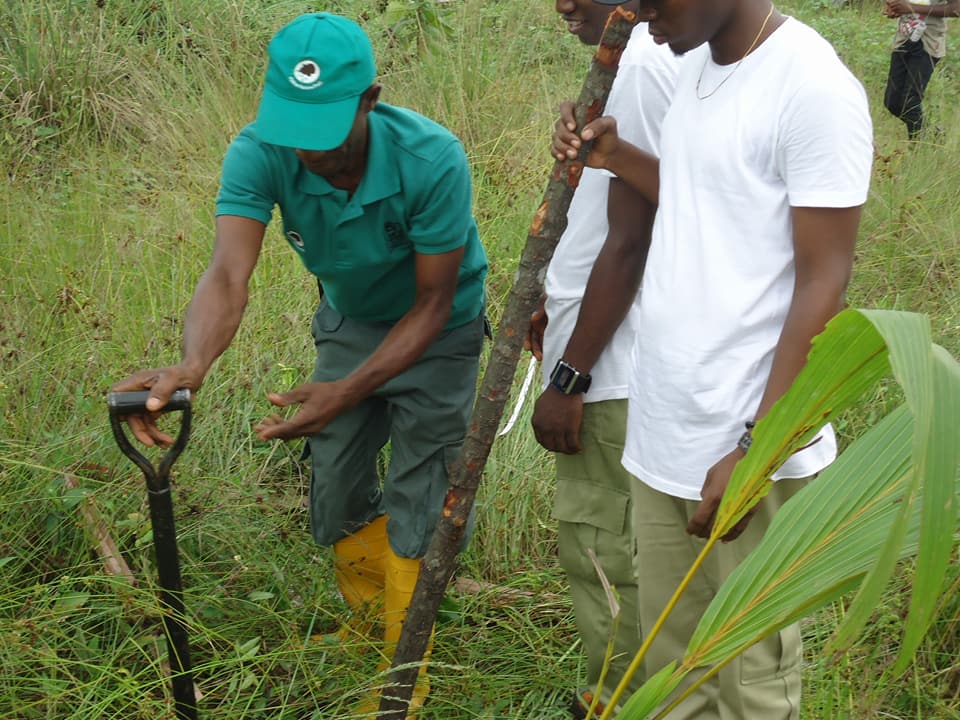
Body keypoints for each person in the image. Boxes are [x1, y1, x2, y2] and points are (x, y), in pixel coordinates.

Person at [112, 12, 488, 716]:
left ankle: (403, 675)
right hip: (352, 319)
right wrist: (191, 365)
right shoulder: (261, 150)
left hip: (439, 330)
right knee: (335, 488)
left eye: (327, 130)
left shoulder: (432, 157)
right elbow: (228, 273)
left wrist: (346, 390)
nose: (310, 150)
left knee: (422, 498)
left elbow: (433, 303)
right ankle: (366, 622)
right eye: (296, 128)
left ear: (370, 99)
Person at [553, 0, 873, 716]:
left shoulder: (812, 88)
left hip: (747, 434)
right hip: (665, 425)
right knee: (673, 665)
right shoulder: (694, 62)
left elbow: (824, 282)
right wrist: (616, 156)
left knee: (749, 674)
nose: (639, 11)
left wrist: (758, 446)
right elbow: (708, 198)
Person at [527, 1, 677, 717]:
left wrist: (571, 373)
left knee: (608, 554)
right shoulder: (645, 60)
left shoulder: (645, 61)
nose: (563, 4)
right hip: (606, 343)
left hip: (611, 368)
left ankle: (621, 703)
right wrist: (556, 309)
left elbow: (631, 239)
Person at [882, 0, 959, 139]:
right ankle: (932, 135)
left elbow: (956, 9)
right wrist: (896, 8)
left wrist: (911, 8)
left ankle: (919, 146)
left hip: (928, 42)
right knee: (892, 102)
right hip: (904, 37)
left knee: (910, 101)